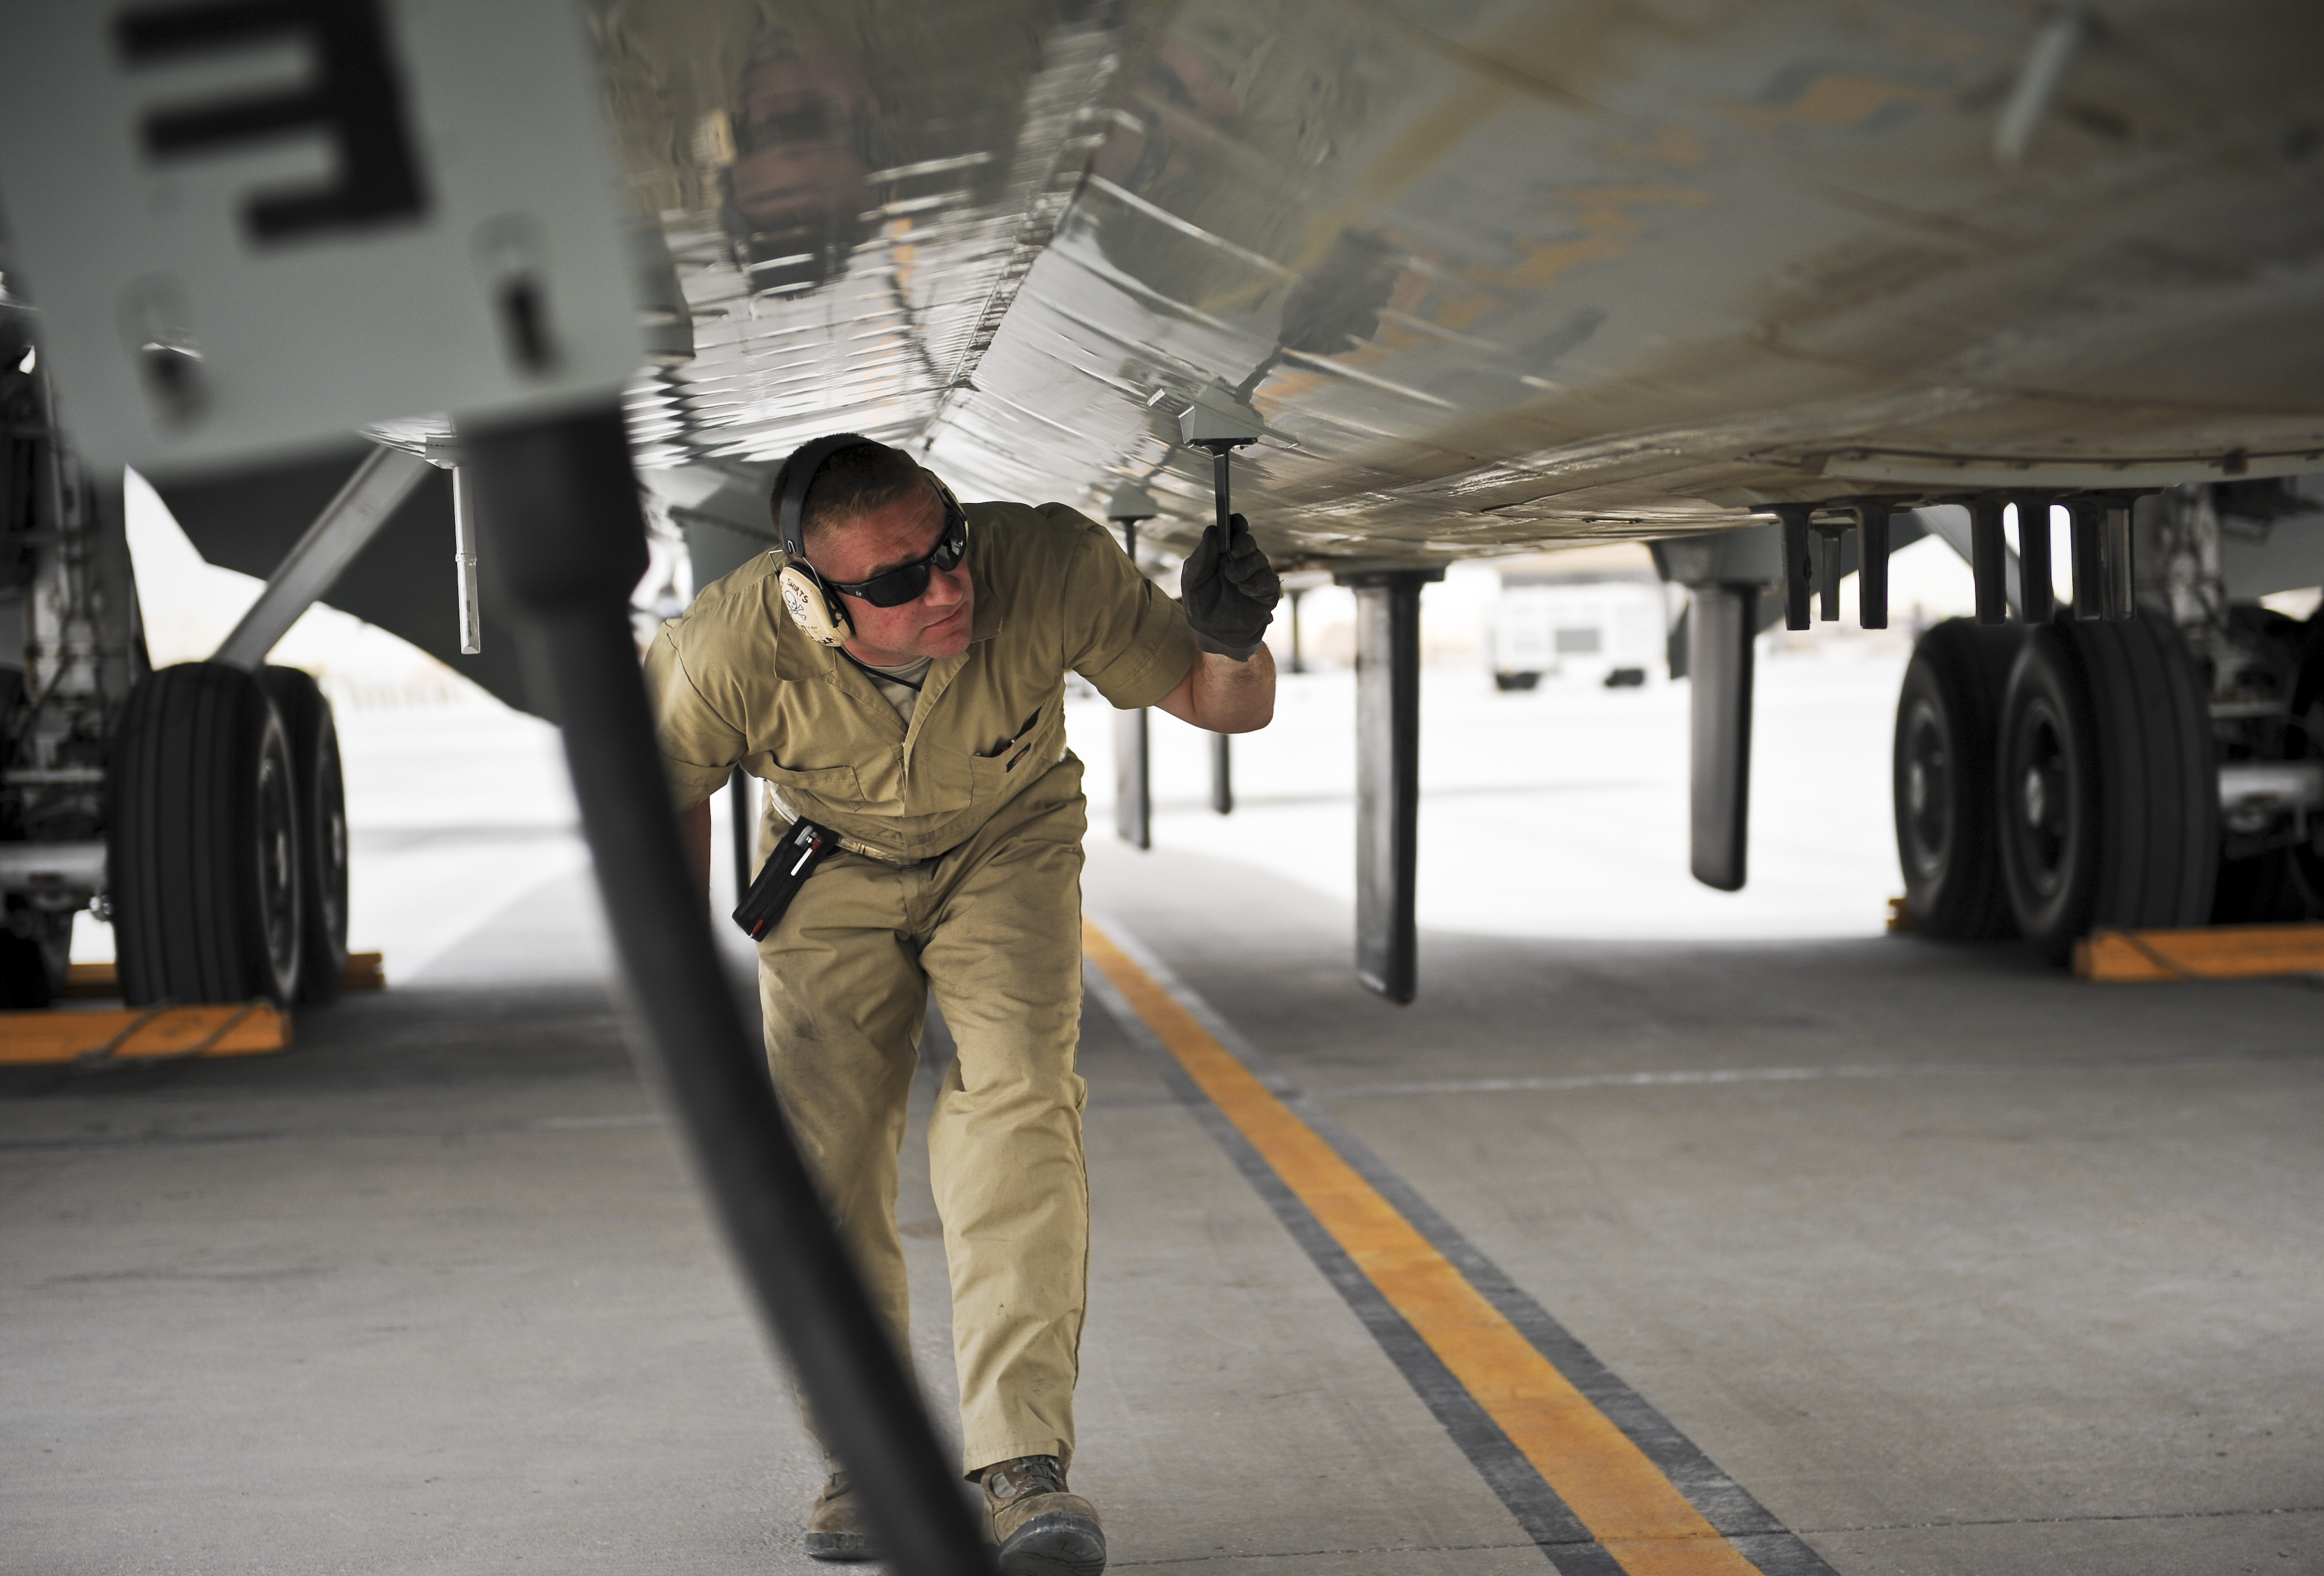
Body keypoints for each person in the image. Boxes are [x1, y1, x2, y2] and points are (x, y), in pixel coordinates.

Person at [644, 435, 1279, 1575]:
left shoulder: (1048, 563)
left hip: (1009, 841)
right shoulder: (729, 646)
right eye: (897, 582)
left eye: (949, 551)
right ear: (814, 598)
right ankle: (860, 1459)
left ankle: (1023, 1464)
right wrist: (688, 996)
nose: (945, 588)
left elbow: (1218, 705)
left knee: (1020, 1104)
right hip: (829, 866)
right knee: (822, 1157)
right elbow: (668, 792)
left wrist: (1234, 640)